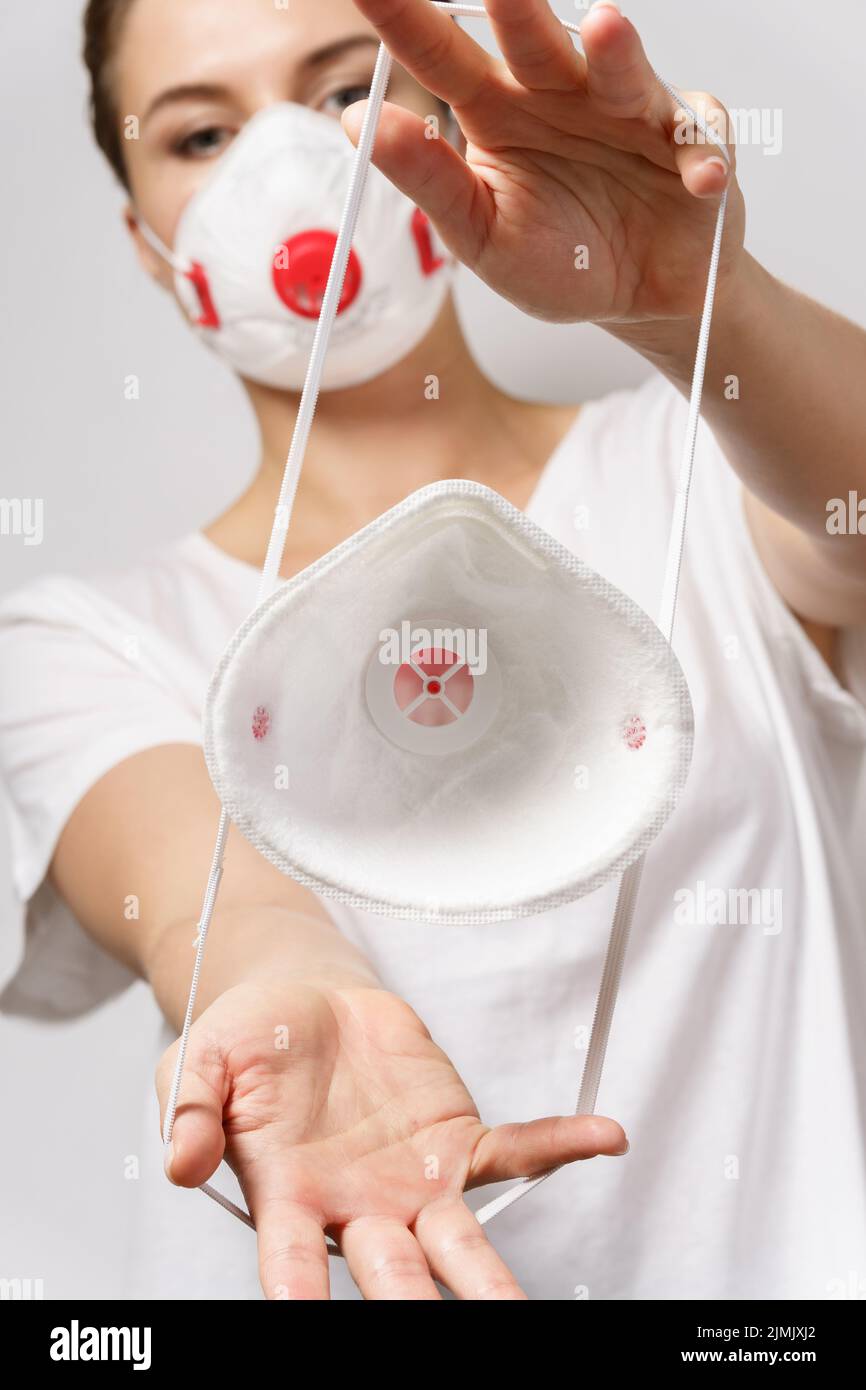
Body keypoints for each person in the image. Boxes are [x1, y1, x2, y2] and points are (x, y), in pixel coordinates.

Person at [1, 0, 864, 1301]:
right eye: (201, 134)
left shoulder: (703, 471)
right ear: (145, 243)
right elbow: (202, 893)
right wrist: (289, 974)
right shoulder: (83, 640)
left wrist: (698, 302)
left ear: (450, 129)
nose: (285, 166)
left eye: (345, 91)